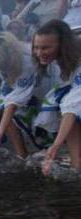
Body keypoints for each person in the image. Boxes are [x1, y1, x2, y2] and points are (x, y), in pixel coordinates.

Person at [0, 32, 55, 160]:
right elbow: (8, 101)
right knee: (7, 112)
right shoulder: (0, 66)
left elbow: (14, 103)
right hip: (26, 91)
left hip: (47, 88)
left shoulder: (26, 62)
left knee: (46, 123)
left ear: (8, 54)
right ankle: (22, 156)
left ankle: (55, 152)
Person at [32, 20, 81, 174]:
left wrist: (56, 146)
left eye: (45, 48)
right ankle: (76, 165)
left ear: (63, 45)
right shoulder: (62, 61)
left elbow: (72, 105)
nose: (39, 53)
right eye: (36, 47)